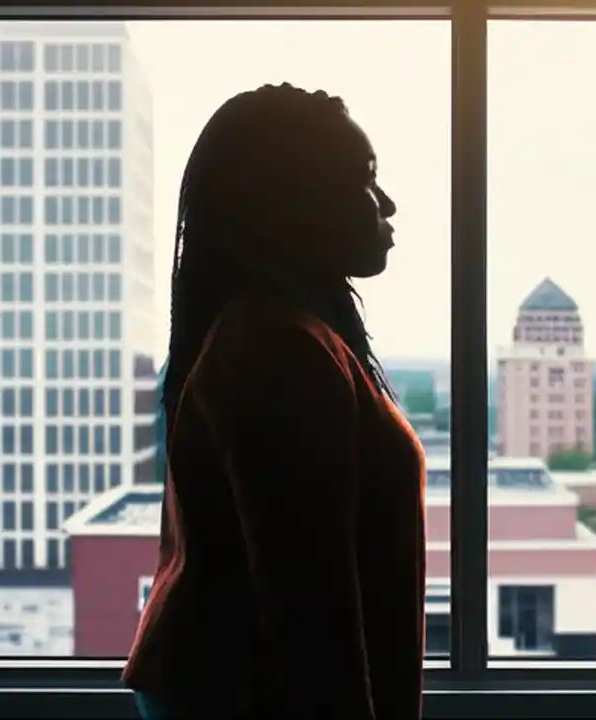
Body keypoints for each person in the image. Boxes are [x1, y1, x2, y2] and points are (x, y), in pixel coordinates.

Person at [122, 83, 426, 719]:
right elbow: (309, 607)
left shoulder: (287, 336)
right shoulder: (277, 349)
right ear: (294, 198)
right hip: (247, 697)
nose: (387, 203)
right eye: (363, 178)